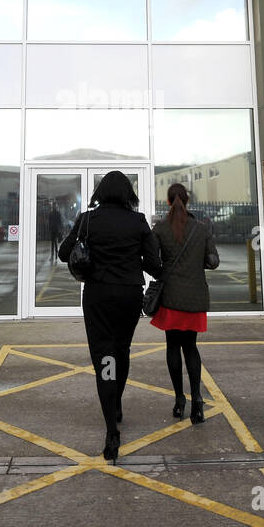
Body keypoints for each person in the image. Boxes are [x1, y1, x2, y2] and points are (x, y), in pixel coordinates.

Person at [58, 170, 162, 463]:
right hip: (129, 294)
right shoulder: (138, 222)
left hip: (98, 296)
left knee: (104, 356)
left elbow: (64, 254)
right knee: (122, 350)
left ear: (100, 193)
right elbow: (154, 265)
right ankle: (116, 404)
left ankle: (111, 430)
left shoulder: (88, 219)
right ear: (128, 194)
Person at [149, 183, 219, 425]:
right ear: (186, 201)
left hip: (171, 297)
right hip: (195, 297)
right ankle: (198, 400)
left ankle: (180, 400)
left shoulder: (160, 229)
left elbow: (152, 262)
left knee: (172, 346)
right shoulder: (201, 228)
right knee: (191, 348)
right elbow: (213, 262)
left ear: (169, 202)